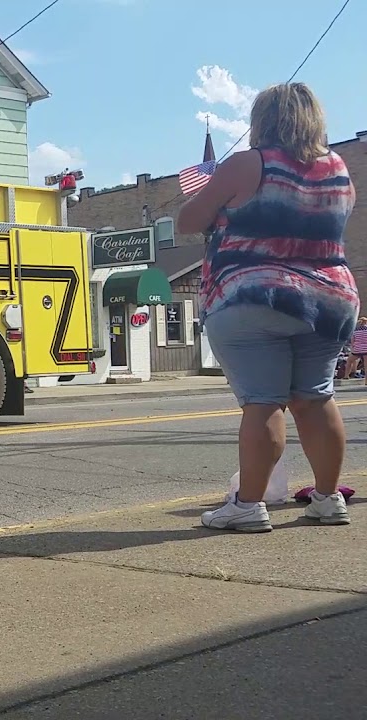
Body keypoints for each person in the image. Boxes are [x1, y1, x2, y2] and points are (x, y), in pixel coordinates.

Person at [178, 82, 356, 532]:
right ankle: (327, 498)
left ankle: (247, 505)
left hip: (253, 294)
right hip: (330, 301)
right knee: (316, 400)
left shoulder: (248, 163)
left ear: (262, 120)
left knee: (263, 402)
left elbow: (187, 221)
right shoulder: (338, 169)